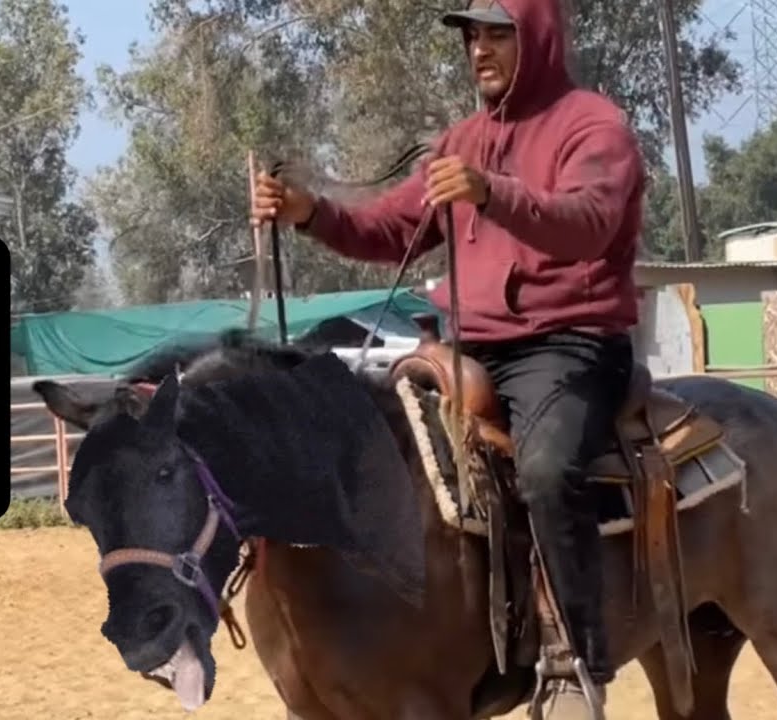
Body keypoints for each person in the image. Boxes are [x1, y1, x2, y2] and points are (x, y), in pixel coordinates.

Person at [251, 0, 645, 716]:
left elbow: (589, 224)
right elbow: (390, 228)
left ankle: (573, 658)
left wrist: (492, 193)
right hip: (469, 347)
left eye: (498, 34)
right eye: (472, 36)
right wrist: (311, 213)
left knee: (546, 469)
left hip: (570, 343)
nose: (479, 50)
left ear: (538, 37)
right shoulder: (463, 139)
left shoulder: (594, 127)